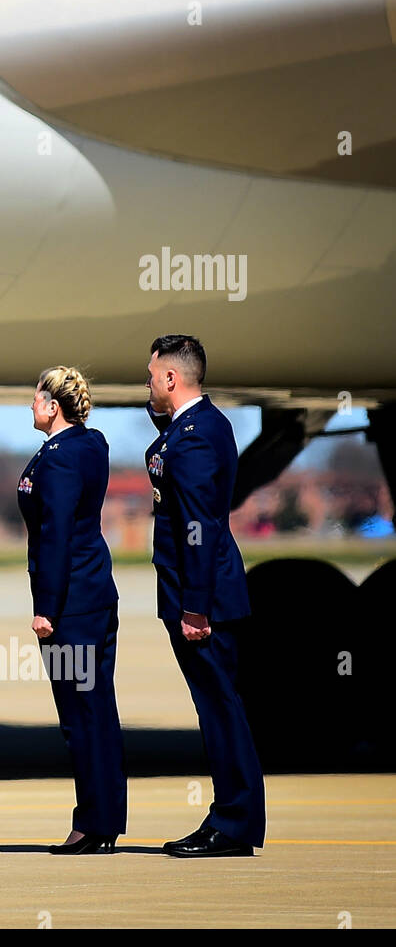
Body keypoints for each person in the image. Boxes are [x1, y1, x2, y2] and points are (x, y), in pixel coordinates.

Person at [145, 334, 265, 858]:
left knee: (220, 711)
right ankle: (233, 818)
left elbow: (197, 524)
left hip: (203, 601)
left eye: (152, 377)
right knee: (218, 709)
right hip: (204, 594)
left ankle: (233, 823)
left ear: (172, 378)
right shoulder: (197, 426)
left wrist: (194, 604)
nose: (147, 385)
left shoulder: (193, 435)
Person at [17, 366, 126, 854]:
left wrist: (46, 608)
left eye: (36, 400)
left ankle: (92, 825)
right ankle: (104, 820)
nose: (31, 407)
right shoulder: (92, 444)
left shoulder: (58, 459)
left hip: (71, 606)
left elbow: (55, 533)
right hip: (96, 593)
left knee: (80, 715)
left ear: (52, 407)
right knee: (98, 709)